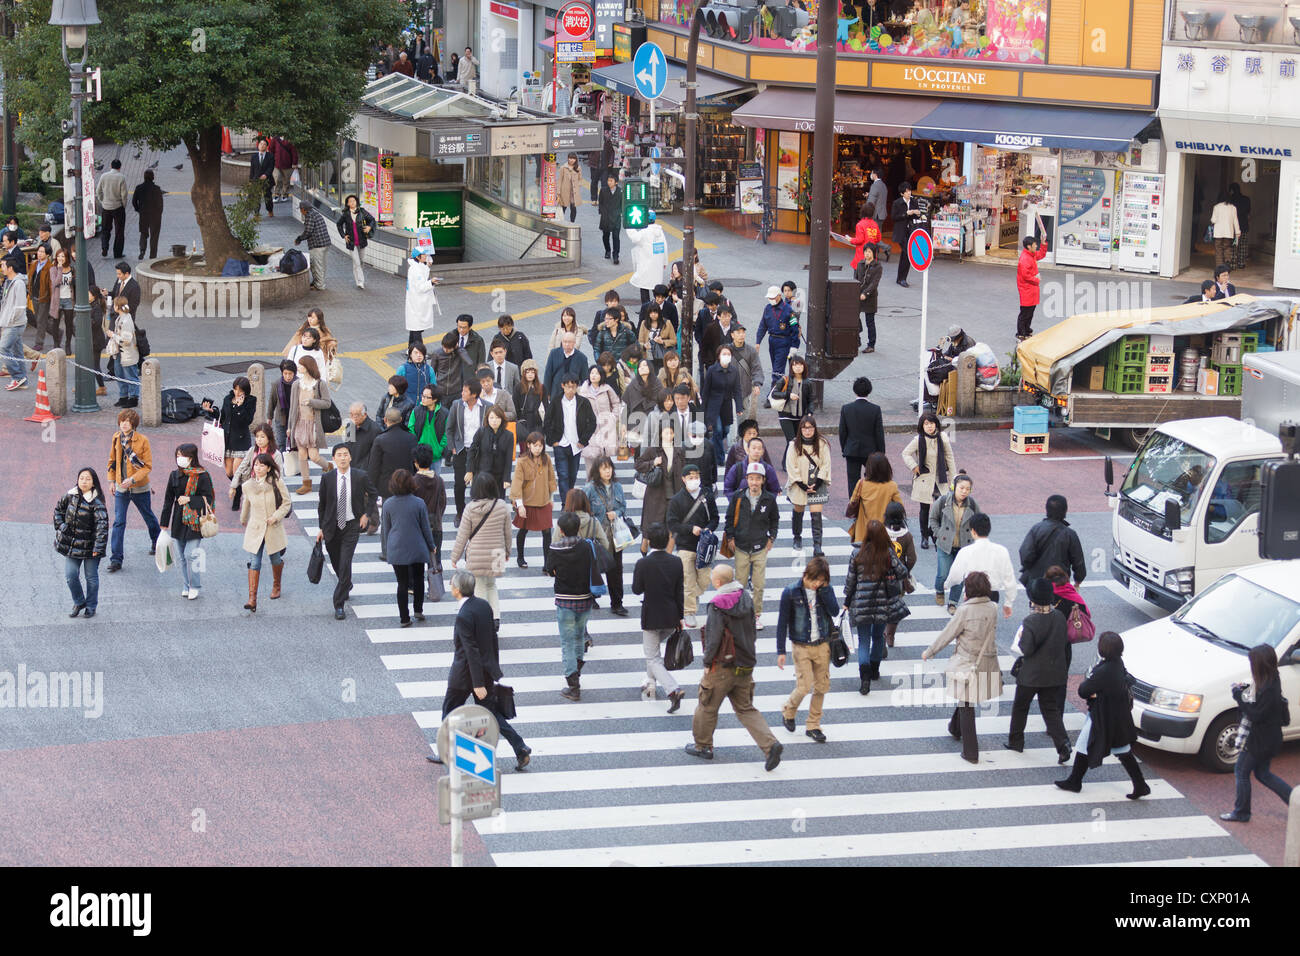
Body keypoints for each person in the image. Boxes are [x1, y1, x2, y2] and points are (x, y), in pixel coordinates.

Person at [429, 571, 532, 770]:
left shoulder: (464, 615)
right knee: (491, 713)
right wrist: (492, 671)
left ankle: (445, 753)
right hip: (484, 670)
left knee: (448, 711)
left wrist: (477, 684)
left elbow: (471, 651)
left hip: (464, 675)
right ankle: (519, 746)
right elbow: (492, 640)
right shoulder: (483, 605)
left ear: (457, 590)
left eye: (452, 585)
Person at [686, 563, 784, 771]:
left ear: (718, 582)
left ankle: (703, 746)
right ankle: (770, 744)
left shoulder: (717, 604)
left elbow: (713, 638)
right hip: (745, 662)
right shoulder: (745, 597)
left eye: (713, 577)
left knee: (707, 705)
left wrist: (707, 663)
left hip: (722, 665)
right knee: (746, 708)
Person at [1055, 631, 1150, 799]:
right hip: (1115, 715)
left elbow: (1083, 690)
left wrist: (1094, 692)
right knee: (1119, 749)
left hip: (1103, 716)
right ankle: (1139, 784)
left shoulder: (1105, 670)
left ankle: (1075, 781)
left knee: (1094, 745)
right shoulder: (1118, 663)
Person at [921, 571, 1001, 764]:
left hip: (967, 661)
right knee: (967, 696)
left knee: (966, 703)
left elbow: (948, 634)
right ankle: (954, 728)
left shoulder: (964, 611)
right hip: (986, 660)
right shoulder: (993, 608)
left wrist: (930, 651)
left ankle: (971, 752)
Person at [1222, 644, 1295, 822]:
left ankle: (1242, 812)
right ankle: (1295, 802)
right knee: (1263, 774)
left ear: (1260, 665)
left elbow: (1255, 714)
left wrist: (1238, 695)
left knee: (1241, 772)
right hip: (1270, 739)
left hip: (1259, 742)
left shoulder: (1268, 689)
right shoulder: (1272, 680)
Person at [1005, 578, 1072, 762]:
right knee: (1050, 710)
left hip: (1031, 675)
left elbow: (1026, 649)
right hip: (1054, 673)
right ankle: (1063, 744)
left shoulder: (1031, 621)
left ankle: (1016, 741)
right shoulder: (1059, 617)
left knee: (1021, 707)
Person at [775, 555, 842, 738]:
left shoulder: (824, 590)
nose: (816, 584)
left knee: (821, 686)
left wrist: (825, 589)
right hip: (801, 645)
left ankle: (813, 725)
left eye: (821, 581)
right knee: (804, 686)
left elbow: (835, 611)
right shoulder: (790, 592)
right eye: (813, 579)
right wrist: (781, 650)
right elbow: (782, 623)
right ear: (805, 575)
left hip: (822, 644)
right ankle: (788, 710)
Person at [844, 519, 911, 694]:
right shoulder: (887, 553)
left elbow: (850, 581)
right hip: (883, 603)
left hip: (862, 602)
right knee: (878, 637)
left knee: (863, 640)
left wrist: (846, 602)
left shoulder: (857, 554)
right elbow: (902, 572)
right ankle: (874, 670)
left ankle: (864, 677)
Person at [317, 444, 377, 619]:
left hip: (351, 525)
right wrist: (321, 527)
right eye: (339, 455)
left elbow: (373, 495)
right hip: (331, 527)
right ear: (334, 459)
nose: (343, 458)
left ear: (350, 457)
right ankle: (346, 583)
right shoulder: (327, 478)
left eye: (345, 455)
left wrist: (366, 514)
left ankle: (339, 604)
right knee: (337, 562)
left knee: (345, 563)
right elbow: (322, 505)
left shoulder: (360, 476)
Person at [632, 522, 687, 711]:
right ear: (667, 541)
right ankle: (650, 683)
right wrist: (681, 616)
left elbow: (636, 590)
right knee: (653, 654)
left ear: (649, 542)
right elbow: (680, 591)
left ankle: (673, 689)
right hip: (671, 616)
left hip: (651, 616)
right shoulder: (676, 561)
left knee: (652, 657)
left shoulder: (643, 563)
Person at [450, 473, 512, 628]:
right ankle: (495, 618)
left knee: (479, 586)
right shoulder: (501, 506)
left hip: (476, 553)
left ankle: (483, 620)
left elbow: (462, 535)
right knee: (492, 585)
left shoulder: (470, 508)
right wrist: (508, 552)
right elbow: (508, 532)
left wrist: (455, 557)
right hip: (497, 553)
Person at [105, 408, 161, 573]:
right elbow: (112, 461)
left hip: (139, 487)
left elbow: (147, 466)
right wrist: (111, 480)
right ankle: (116, 559)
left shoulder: (142, 440)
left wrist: (133, 479)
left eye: (128, 421)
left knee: (148, 515)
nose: (124, 424)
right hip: (121, 487)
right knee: (119, 521)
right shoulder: (116, 438)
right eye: (122, 421)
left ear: (134, 424)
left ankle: (156, 541)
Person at [549, 511, 598, 700]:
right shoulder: (587, 546)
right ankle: (576, 672)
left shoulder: (555, 548)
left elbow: (549, 569)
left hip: (564, 599)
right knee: (579, 638)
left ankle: (573, 684)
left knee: (567, 642)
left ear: (561, 530)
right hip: (584, 598)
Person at [381, 469, 437, 628]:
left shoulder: (388, 504)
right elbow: (425, 528)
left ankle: (404, 618)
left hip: (397, 548)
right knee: (419, 579)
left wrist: (386, 550)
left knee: (402, 583)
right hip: (417, 546)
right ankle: (418, 609)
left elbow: (386, 529)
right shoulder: (419, 503)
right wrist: (431, 545)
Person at [726, 462, 779, 629]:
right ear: (746, 479)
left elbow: (775, 520)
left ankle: (756, 615)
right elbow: (728, 518)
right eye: (751, 478)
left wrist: (772, 538)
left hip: (760, 547)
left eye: (758, 479)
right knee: (739, 583)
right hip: (741, 545)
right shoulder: (738, 496)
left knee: (759, 584)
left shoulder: (769, 499)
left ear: (763, 480)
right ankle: (739, 613)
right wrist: (730, 538)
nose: (754, 482)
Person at [159, 442, 215, 601]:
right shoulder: (174, 475)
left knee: (190, 554)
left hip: (196, 520)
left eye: (182, 456)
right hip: (178, 519)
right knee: (182, 556)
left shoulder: (202, 475)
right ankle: (186, 585)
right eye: (177, 456)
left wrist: (190, 499)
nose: (179, 459)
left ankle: (195, 586)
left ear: (191, 458)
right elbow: (168, 500)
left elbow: (208, 499)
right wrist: (164, 524)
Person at [665, 462, 718, 627]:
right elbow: (672, 523)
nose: (694, 480)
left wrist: (708, 529)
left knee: (704, 580)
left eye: (696, 477)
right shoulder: (676, 500)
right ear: (683, 479)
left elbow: (715, 517)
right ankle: (689, 612)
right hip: (685, 545)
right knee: (687, 580)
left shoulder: (707, 496)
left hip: (704, 545)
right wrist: (690, 529)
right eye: (690, 478)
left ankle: (692, 596)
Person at [55, 467, 110, 619]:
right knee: (70, 576)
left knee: (91, 578)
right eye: (81, 478)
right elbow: (58, 511)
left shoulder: (97, 503)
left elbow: (102, 527)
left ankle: (91, 606)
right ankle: (79, 601)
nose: (84, 481)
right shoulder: (70, 496)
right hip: (72, 545)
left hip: (91, 547)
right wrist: (61, 526)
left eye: (87, 479)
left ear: (93, 482)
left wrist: (98, 548)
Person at [239, 452, 291, 611]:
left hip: (272, 527)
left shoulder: (277, 482)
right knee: (254, 562)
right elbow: (246, 504)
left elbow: (286, 503)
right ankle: (252, 598)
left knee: (275, 559)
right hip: (255, 528)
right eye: (256, 465)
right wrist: (243, 519)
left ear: (268, 468)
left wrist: (275, 517)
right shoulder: (248, 485)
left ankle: (277, 585)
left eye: (262, 465)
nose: (258, 468)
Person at [942, 511, 1018, 618]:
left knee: (971, 627)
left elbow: (956, 575)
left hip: (972, 595)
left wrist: (947, 584)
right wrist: (1008, 603)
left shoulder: (966, 551)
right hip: (992, 595)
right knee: (989, 628)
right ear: (989, 529)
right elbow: (1010, 580)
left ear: (972, 531)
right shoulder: (1001, 551)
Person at [368, 406, 419, 560]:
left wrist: (371, 488)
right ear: (401, 420)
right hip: (407, 483)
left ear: (385, 420)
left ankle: (387, 552)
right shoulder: (411, 438)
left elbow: (374, 467)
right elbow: (414, 463)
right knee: (406, 519)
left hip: (387, 486)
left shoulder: (381, 440)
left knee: (387, 520)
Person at [582, 455, 630, 615]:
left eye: (609, 467)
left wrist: (616, 513)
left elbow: (623, 506)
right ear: (597, 470)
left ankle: (617, 603)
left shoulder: (617, 487)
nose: (608, 471)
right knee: (594, 568)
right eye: (604, 468)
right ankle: (592, 595)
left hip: (616, 535)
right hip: (597, 536)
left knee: (616, 570)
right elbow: (582, 510)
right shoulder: (589, 488)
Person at [901, 412, 956, 549]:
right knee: (924, 509)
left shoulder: (942, 438)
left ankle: (932, 531)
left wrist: (954, 477)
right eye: (926, 424)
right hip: (924, 479)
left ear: (936, 424)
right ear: (922, 425)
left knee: (944, 508)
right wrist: (914, 466)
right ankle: (924, 536)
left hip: (940, 479)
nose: (929, 426)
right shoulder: (918, 440)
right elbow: (905, 453)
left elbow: (949, 457)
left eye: (931, 423)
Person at [202, 376, 257, 503]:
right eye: (235, 389)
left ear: (246, 391)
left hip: (241, 440)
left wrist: (240, 407)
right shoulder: (228, 398)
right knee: (228, 472)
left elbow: (247, 421)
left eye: (240, 390)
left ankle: (237, 497)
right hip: (226, 440)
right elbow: (223, 417)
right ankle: (241, 489)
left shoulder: (250, 401)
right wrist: (212, 411)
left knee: (237, 470)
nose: (237, 392)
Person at [784, 415, 832, 558]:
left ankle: (817, 545)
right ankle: (797, 536)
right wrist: (802, 485)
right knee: (798, 510)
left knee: (816, 515)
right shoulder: (793, 445)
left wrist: (817, 483)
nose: (807, 431)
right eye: (804, 428)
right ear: (800, 429)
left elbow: (826, 464)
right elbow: (791, 466)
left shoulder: (822, 443)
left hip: (818, 483)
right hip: (799, 484)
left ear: (815, 428)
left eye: (810, 428)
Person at [928, 471, 978, 608]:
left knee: (959, 576)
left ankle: (953, 603)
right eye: (961, 488)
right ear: (955, 487)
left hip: (964, 546)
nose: (964, 491)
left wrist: (975, 538)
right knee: (943, 574)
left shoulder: (972, 504)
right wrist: (939, 533)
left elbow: (979, 521)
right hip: (945, 544)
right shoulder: (943, 501)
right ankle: (939, 591)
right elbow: (932, 518)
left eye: (967, 489)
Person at [544, 373, 596, 500]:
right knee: (563, 475)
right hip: (560, 443)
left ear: (577, 387)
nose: (570, 390)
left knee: (573, 475)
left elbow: (592, 422)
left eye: (573, 387)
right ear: (563, 386)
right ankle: (565, 504)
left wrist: (584, 440)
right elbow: (547, 421)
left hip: (576, 444)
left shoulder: (583, 402)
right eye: (568, 387)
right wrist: (552, 440)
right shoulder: (556, 401)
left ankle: (569, 500)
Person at [511, 431, 557, 570]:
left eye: (540, 445)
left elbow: (551, 479)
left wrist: (551, 498)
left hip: (543, 501)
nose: (538, 448)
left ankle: (547, 564)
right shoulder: (522, 461)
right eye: (535, 445)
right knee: (523, 530)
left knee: (547, 532)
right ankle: (520, 557)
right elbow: (517, 483)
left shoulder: (547, 459)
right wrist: (519, 505)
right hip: (527, 502)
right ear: (529, 445)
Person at [1018, 494, 1086, 588]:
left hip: (1037, 584)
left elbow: (1025, 554)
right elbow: (1078, 562)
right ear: (1065, 511)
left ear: (1047, 510)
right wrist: (1078, 579)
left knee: (1037, 602)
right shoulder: (1070, 534)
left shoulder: (1036, 529)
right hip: (1060, 584)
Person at [287, 356, 333, 495]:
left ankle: (328, 466)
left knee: (313, 456)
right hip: (299, 423)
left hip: (314, 424)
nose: (298, 367)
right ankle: (306, 483)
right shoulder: (296, 384)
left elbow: (327, 403)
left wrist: (312, 402)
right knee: (301, 454)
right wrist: (290, 426)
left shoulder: (319, 384)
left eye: (301, 365)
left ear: (308, 366)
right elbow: (293, 407)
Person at [700, 342, 744, 465]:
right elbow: (706, 391)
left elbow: (737, 390)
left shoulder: (734, 371)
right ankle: (719, 459)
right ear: (719, 356)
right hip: (713, 406)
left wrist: (739, 407)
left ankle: (712, 447)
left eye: (728, 354)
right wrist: (703, 409)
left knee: (726, 430)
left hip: (726, 406)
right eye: (724, 354)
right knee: (718, 430)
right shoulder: (712, 370)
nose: (726, 356)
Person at [839, 376, 886, 491]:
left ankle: (853, 506)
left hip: (851, 450)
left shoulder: (846, 408)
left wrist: (845, 448)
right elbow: (879, 433)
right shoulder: (875, 409)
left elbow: (842, 432)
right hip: (871, 451)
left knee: (852, 483)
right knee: (872, 480)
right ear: (869, 391)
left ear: (855, 391)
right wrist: (881, 452)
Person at [881, 500, 917, 650]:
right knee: (895, 607)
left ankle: (881, 633)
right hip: (899, 579)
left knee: (882, 605)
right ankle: (890, 635)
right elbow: (912, 558)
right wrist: (905, 571)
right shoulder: (906, 536)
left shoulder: (881, 532)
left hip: (882, 576)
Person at [847, 451, 904, 544]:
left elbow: (852, 502)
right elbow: (900, 508)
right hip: (885, 531)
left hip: (863, 531)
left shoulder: (861, 484)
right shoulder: (892, 486)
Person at [229, 422, 283, 510]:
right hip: (253, 488)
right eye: (257, 437)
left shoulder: (276, 455)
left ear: (269, 438)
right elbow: (241, 468)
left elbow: (279, 476)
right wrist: (233, 486)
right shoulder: (252, 451)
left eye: (262, 437)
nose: (259, 440)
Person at [467, 403, 515, 498]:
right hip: (482, 474)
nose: (494, 421)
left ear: (502, 419)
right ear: (487, 419)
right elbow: (471, 451)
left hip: (499, 476)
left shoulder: (509, 435)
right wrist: (469, 470)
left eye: (497, 418)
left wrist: (507, 478)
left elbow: (508, 459)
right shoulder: (481, 432)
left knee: (497, 504)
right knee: (481, 502)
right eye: (491, 418)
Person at [770, 354, 814, 453]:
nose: (798, 368)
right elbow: (774, 394)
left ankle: (788, 462)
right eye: (795, 365)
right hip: (785, 415)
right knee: (791, 441)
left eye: (800, 365)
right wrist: (788, 395)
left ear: (804, 366)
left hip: (800, 416)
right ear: (791, 367)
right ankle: (787, 464)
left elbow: (811, 399)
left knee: (798, 441)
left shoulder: (808, 382)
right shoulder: (785, 379)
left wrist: (810, 413)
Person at [756, 286, 798, 388]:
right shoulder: (768, 308)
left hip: (784, 341)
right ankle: (781, 388)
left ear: (779, 296)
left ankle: (774, 392)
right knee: (775, 366)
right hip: (772, 340)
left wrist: (794, 345)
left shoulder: (788, 310)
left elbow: (795, 328)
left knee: (777, 370)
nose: (770, 300)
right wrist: (758, 341)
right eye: (769, 298)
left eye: (772, 298)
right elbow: (763, 326)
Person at [622, 355, 664, 453]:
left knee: (652, 452)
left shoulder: (657, 384)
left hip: (653, 422)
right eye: (640, 366)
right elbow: (626, 406)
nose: (642, 368)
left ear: (650, 368)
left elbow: (662, 404)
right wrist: (624, 424)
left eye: (645, 365)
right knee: (637, 454)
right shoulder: (633, 385)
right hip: (635, 423)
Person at [626, 208, 668, 304]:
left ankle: (646, 308)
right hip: (657, 265)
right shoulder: (660, 232)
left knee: (644, 287)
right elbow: (664, 247)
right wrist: (664, 262)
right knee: (656, 288)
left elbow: (634, 238)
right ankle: (657, 305)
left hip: (645, 264)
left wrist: (628, 225)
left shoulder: (645, 232)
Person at [106, 297, 142, 408]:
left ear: (117, 307)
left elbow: (126, 340)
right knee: (119, 375)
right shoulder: (121, 318)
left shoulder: (126, 320)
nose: (113, 307)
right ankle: (123, 397)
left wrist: (113, 336)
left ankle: (133, 398)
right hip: (119, 353)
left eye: (114, 305)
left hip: (127, 353)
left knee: (131, 376)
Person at [338, 194, 376, 290]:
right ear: (347, 203)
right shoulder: (345, 214)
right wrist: (344, 235)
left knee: (361, 261)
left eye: (354, 201)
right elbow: (338, 224)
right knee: (357, 262)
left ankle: (359, 278)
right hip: (351, 242)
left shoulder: (362, 212)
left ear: (356, 202)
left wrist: (369, 227)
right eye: (350, 201)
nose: (352, 202)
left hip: (362, 241)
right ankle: (360, 281)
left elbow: (372, 220)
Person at [405, 249, 442, 347]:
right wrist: (431, 282)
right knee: (417, 327)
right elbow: (421, 287)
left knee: (415, 327)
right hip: (417, 302)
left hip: (416, 302)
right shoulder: (415, 270)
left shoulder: (416, 267)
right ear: (418, 257)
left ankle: (410, 349)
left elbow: (423, 275)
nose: (426, 256)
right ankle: (419, 350)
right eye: (424, 255)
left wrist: (427, 266)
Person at [1016, 235, 1049, 341]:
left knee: (1030, 311)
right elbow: (1026, 276)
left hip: (1031, 289)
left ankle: (1027, 330)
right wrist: (1037, 280)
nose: (1036, 246)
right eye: (1035, 245)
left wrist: (1044, 244)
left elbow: (1041, 254)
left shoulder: (1031, 255)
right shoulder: (1025, 259)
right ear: (1029, 246)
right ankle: (1021, 333)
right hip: (1027, 289)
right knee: (1025, 312)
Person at [0, 257, 27, 390]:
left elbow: (20, 306)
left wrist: (10, 320)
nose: (2, 268)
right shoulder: (8, 282)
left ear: (10, 268)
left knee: (3, 349)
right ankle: (23, 381)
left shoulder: (18, 283)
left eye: (3, 265)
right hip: (9, 322)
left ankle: (17, 376)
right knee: (18, 352)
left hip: (15, 324)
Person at [295, 201, 333, 290]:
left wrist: (299, 239)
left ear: (304, 209)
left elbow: (308, 231)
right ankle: (318, 282)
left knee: (317, 265)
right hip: (325, 243)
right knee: (322, 265)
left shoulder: (309, 216)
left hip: (317, 244)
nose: (301, 212)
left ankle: (319, 286)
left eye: (301, 210)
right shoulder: (315, 213)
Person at [543, 330, 590, 402]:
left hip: (573, 393)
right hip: (556, 391)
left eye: (570, 342)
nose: (567, 344)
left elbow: (585, 379)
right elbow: (548, 374)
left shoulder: (582, 358)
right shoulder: (554, 353)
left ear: (574, 343)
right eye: (565, 342)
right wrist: (547, 393)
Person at [97, 158, 130, 255]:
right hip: (118, 207)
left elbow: (98, 191)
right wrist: (124, 205)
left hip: (106, 207)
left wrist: (102, 201)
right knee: (119, 231)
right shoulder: (121, 177)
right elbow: (124, 194)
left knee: (105, 229)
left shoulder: (104, 176)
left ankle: (104, 247)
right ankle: (117, 252)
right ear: (120, 167)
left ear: (111, 166)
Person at [513, 358, 546, 454]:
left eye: (533, 371)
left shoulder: (541, 387)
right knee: (524, 453)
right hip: (524, 423)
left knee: (537, 452)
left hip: (537, 424)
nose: (530, 374)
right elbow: (515, 407)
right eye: (527, 372)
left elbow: (546, 407)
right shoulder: (518, 387)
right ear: (523, 373)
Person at [854, 244, 883, 354]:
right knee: (854, 318)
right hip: (858, 296)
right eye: (866, 251)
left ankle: (871, 345)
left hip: (870, 298)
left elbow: (874, 283)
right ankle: (857, 339)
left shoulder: (878, 266)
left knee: (870, 321)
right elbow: (855, 279)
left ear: (874, 254)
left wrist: (865, 293)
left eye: (870, 252)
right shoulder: (860, 264)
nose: (867, 254)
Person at [431, 330, 473, 407]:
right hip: (441, 390)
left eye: (449, 348)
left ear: (455, 346)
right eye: (444, 347)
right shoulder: (437, 353)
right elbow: (432, 371)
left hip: (456, 391)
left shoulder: (459, 352)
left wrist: (458, 349)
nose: (446, 350)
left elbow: (469, 362)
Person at [131, 169, 164, 260]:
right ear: (153, 177)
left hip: (143, 214)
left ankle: (142, 250)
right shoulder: (157, 189)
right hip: (155, 215)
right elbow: (161, 204)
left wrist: (138, 210)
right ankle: (152, 255)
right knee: (154, 235)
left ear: (144, 177)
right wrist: (159, 213)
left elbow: (134, 201)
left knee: (143, 233)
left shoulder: (139, 187)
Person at [27, 242, 54, 353]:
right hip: (34, 295)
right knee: (38, 319)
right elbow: (30, 279)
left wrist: (52, 300)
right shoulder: (34, 264)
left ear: (47, 254)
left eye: (42, 252)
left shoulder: (50, 267)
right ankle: (57, 332)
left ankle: (39, 343)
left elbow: (51, 285)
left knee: (41, 320)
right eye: (39, 251)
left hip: (44, 297)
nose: (39, 253)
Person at [891, 181, 920, 287]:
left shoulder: (913, 201)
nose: (909, 193)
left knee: (905, 254)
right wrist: (905, 214)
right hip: (901, 231)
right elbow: (894, 217)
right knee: (907, 253)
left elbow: (917, 216)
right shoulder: (897, 203)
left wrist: (917, 213)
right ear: (902, 193)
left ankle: (901, 278)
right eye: (907, 192)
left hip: (911, 230)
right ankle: (902, 279)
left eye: (910, 191)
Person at [848, 200, 882, 272]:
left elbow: (859, 240)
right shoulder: (875, 224)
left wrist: (850, 239)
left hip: (862, 255)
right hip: (872, 255)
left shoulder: (860, 224)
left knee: (858, 279)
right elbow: (878, 238)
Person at [1210, 192, 1241, 270]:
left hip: (1218, 233)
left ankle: (1219, 267)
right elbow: (1235, 221)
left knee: (1218, 250)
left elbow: (1213, 220)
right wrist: (1237, 232)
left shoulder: (1216, 207)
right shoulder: (1233, 208)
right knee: (1227, 249)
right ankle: (1227, 265)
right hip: (1228, 233)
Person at [597, 172, 621, 263]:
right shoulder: (603, 190)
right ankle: (607, 250)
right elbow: (601, 203)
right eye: (608, 180)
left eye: (611, 181)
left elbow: (622, 204)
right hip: (606, 217)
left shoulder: (620, 192)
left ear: (616, 182)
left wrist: (619, 213)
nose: (609, 182)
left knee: (616, 237)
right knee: (605, 236)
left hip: (616, 218)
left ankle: (616, 255)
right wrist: (603, 212)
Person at [271, 135, 300, 203]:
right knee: (277, 179)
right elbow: (271, 149)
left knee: (286, 181)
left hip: (288, 164)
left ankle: (285, 194)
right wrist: (272, 160)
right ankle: (276, 194)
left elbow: (294, 151)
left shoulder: (290, 138)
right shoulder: (275, 139)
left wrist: (294, 162)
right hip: (277, 164)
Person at [556, 152, 582, 223]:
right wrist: (558, 192)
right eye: (570, 158)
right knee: (563, 208)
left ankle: (572, 222)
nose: (572, 160)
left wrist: (578, 185)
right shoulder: (563, 168)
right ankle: (560, 222)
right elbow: (560, 180)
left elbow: (580, 179)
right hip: (564, 191)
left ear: (576, 159)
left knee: (573, 208)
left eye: (573, 158)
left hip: (574, 192)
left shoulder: (578, 168)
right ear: (568, 158)